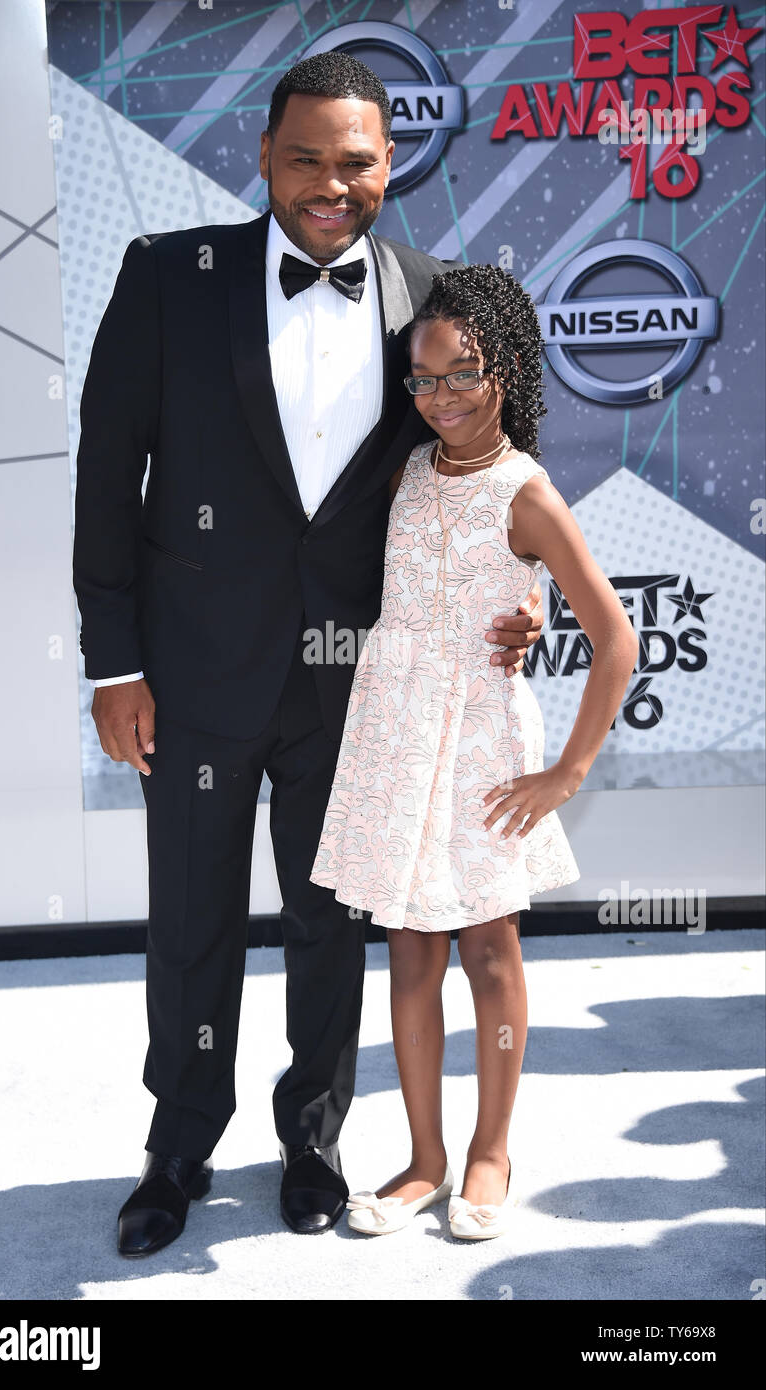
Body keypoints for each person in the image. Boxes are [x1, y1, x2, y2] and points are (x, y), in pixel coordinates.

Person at [73, 53, 546, 1258]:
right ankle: (176, 1147)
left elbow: (491, 466)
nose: (331, 185)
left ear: (391, 163)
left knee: (332, 916)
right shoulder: (167, 278)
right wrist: (112, 662)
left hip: (362, 677)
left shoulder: (439, 290)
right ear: (266, 158)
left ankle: (315, 1138)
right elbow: (103, 476)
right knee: (191, 917)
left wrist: (527, 594)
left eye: (357, 162)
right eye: (307, 160)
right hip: (189, 677)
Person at [310, 264, 639, 1239]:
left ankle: (491, 1153)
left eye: (462, 373)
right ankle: (423, 1158)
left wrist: (566, 772)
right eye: (423, 378)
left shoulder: (526, 492)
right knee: (409, 956)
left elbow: (615, 637)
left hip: (480, 748)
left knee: (490, 953)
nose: (440, 396)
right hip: (395, 737)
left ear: (507, 369)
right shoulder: (409, 467)